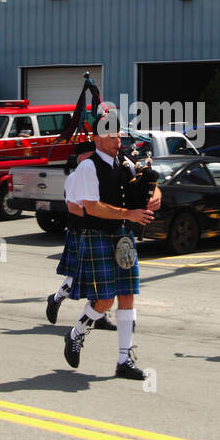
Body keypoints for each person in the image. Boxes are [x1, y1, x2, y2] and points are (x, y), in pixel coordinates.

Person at [61, 117, 161, 380]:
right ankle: (77, 332)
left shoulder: (125, 163)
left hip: (122, 236)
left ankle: (124, 359)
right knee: (105, 299)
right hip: (98, 235)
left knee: (127, 294)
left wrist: (154, 197)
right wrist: (130, 213)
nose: (118, 140)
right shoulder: (88, 168)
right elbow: (91, 207)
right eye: (112, 136)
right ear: (97, 139)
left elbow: (150, 183)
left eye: (118, 135)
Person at [44, 142, 110, 331]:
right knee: (80, 275)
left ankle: (100, 315)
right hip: (81, 229)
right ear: (81, 158)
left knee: (98, 276)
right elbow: (73, 207)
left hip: (98, 228)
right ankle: (56, 298)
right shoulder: (74, 178)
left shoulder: (96, 175)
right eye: (91, 155)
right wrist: (99, 217)